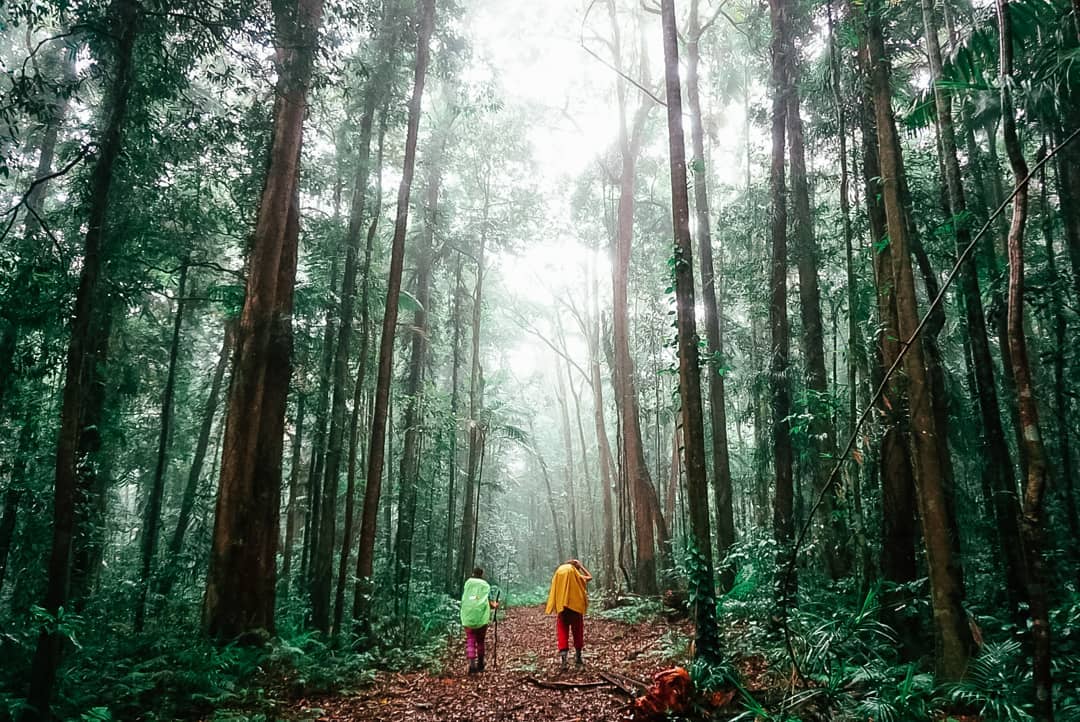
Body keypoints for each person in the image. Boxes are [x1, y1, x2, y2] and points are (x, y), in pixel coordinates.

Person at [545, 558, 592, 670]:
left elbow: (554, 588)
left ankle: (564, 662)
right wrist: (580, 567)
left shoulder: (559, 571)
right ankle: (578, 659)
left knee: (562, 632)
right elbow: (589, 577)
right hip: (575, 608)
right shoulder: (574, 574)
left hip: (562, 608)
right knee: (578, 631)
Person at [460, 567, 499, 674]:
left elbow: (465, 598)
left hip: (468, 616)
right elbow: (490, 602)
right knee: (480, 641)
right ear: (482, 574)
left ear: (473, 573)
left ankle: (472, 665)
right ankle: (480, 664)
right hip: (481, 617)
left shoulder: (468, 583)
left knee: (470, 640)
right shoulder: (485, 585)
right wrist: (495, 605)